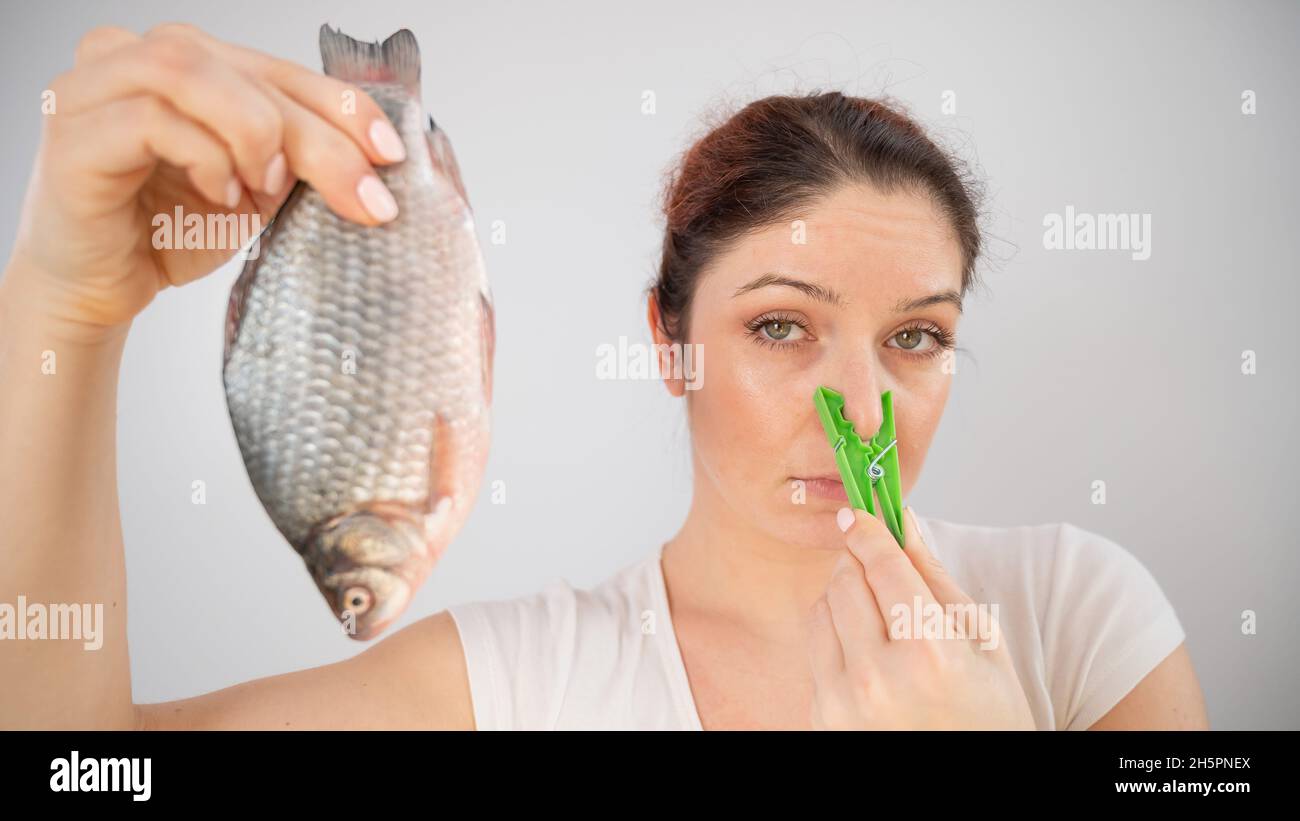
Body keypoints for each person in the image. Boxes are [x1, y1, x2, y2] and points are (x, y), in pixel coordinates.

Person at [0, 24, 1208, 730]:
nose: (863, 404)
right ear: (667, 342)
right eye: (781, 328)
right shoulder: (521, 680)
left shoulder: (1079, 608)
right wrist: (63, 304)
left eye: (918, 336)